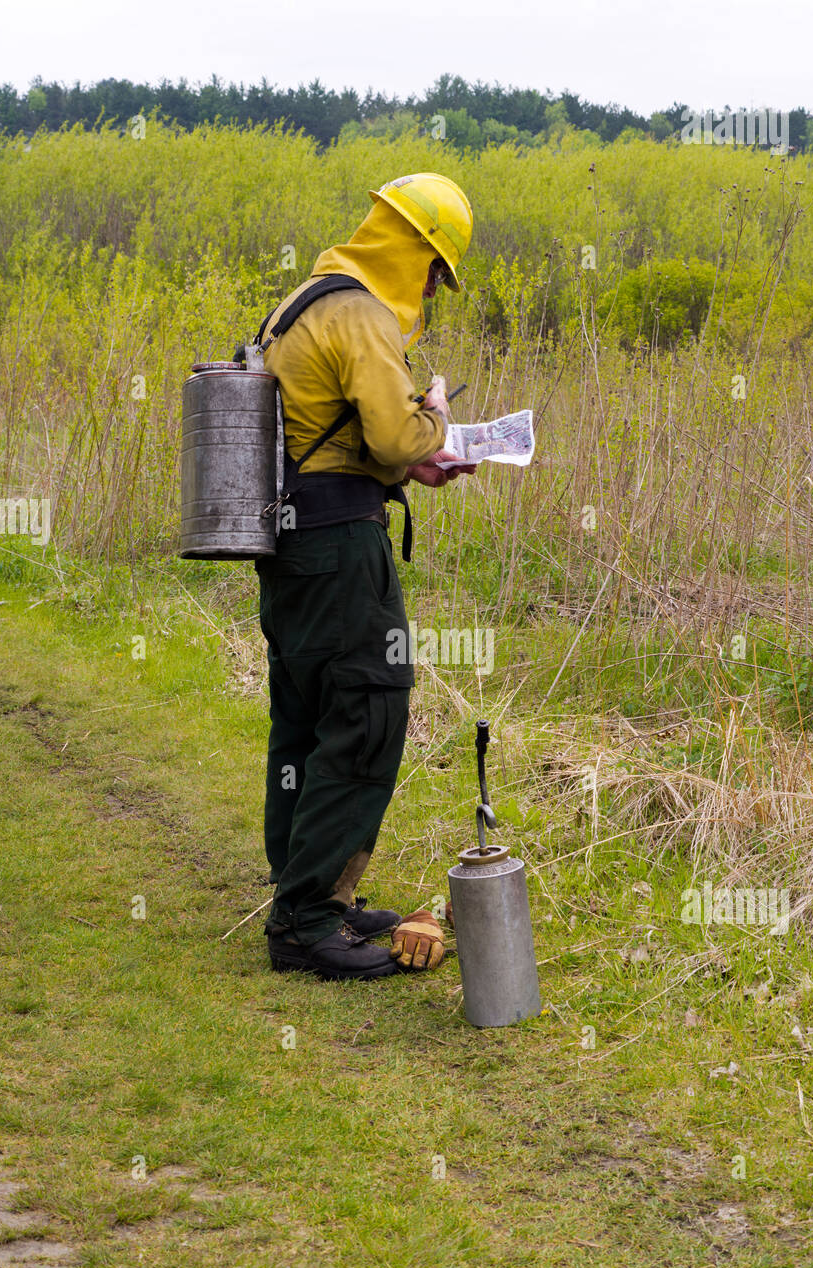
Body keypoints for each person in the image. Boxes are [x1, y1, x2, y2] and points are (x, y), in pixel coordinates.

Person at [254, 172, 475, 982]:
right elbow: (392, 433)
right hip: (340, 546)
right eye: (433, 270)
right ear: (411, 250)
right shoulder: (361, 314)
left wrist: (408, 468)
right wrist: (437, 416)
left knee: (308, 721)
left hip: (294, 539)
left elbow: (343, 435)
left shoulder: (309, 299)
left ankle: (314, 895)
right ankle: (306, 921)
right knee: (365, 714)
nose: (428, 288)